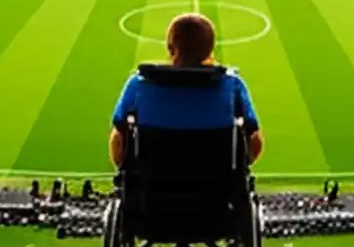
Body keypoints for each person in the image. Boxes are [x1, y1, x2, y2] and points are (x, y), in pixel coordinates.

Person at [109, 13, 263, 167]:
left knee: (120, 131)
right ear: (210, 49)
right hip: (217, 183)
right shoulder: (233, 85)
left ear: (170, 48)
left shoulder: (138, 84)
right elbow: (254, 138)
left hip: (152, 183)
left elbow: (120, 131)